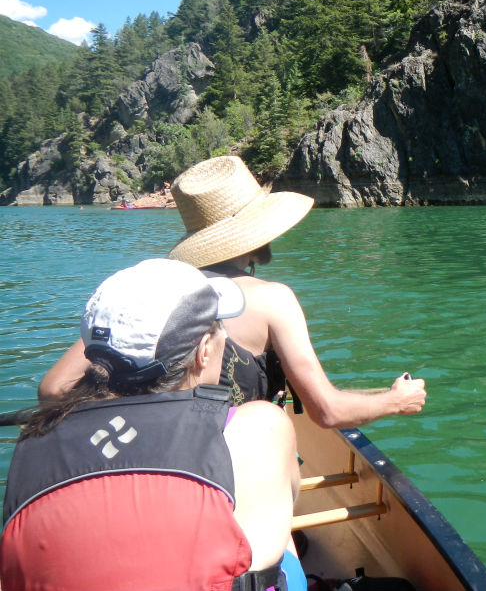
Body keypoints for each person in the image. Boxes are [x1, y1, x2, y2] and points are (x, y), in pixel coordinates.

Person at [40, 156, 427, 430]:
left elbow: (53, 390)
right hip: (234, 469)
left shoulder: (146, 297)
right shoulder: (272, 299)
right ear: (257, 232)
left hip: (153, 458)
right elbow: (326, 412)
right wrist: (396, 400)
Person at [3, 259, 303, 591]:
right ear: (204, 350)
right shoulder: (260, 424)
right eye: (219, 329)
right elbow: (283, 505)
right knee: (285, 549)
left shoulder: (33, 439)